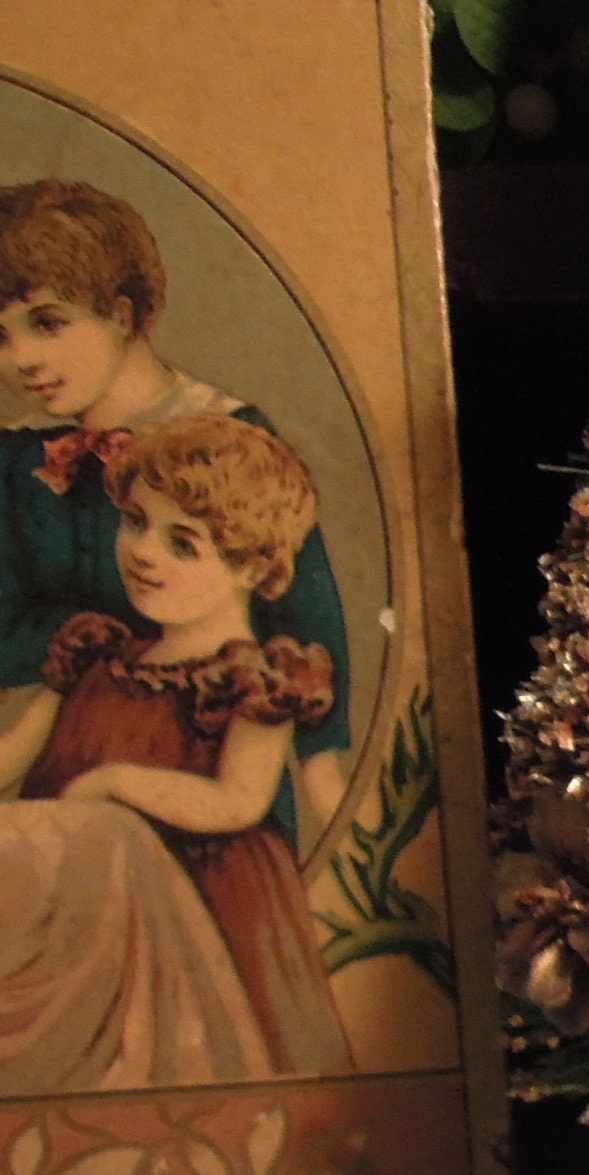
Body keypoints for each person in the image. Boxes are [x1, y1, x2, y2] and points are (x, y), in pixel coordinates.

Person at [0, 415, 351, 1079]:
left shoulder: (255, 680)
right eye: (135, 522)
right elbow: (17, 753)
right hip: (73, 922)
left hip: (203, 914)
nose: (143, 553)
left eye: (181, 543)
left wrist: (116, 785)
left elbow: (238, 801)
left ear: (251, 565)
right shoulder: (95, 656)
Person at [0, 177, 350, 843]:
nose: (22, 361)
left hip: (207, 767)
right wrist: (81, 653)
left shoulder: (232, 432)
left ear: (124, 315)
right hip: (72, 757)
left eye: (47, 322)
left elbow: (305, 624)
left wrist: (329, 791)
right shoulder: (17, 460)